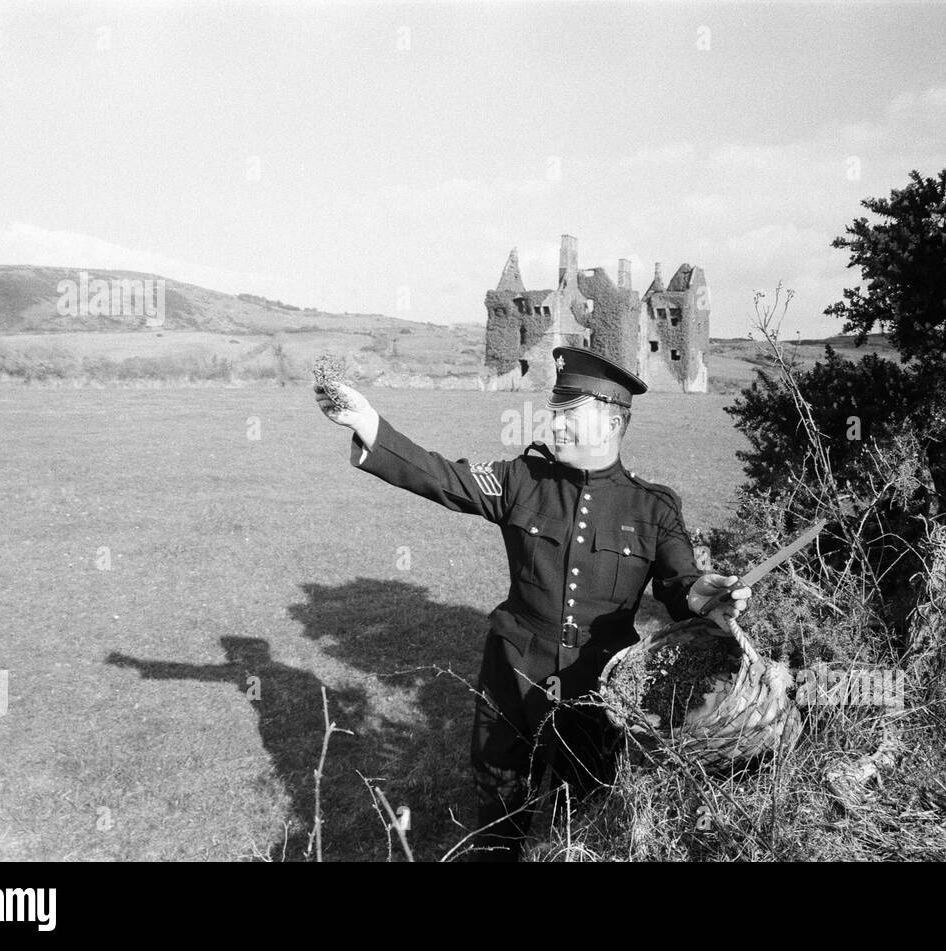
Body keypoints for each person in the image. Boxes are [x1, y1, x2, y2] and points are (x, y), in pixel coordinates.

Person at [314, 346, 750, 860]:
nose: (555, 424)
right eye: (555, 412)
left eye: (569, 413)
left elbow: (681, 586)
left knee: (581, 813)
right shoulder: (522, 479)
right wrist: (368, 422)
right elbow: (442, 477)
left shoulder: (652, 507)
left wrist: (701, 597)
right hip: (512, 670)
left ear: (611, 422)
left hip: (596, 691)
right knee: (497, 794)